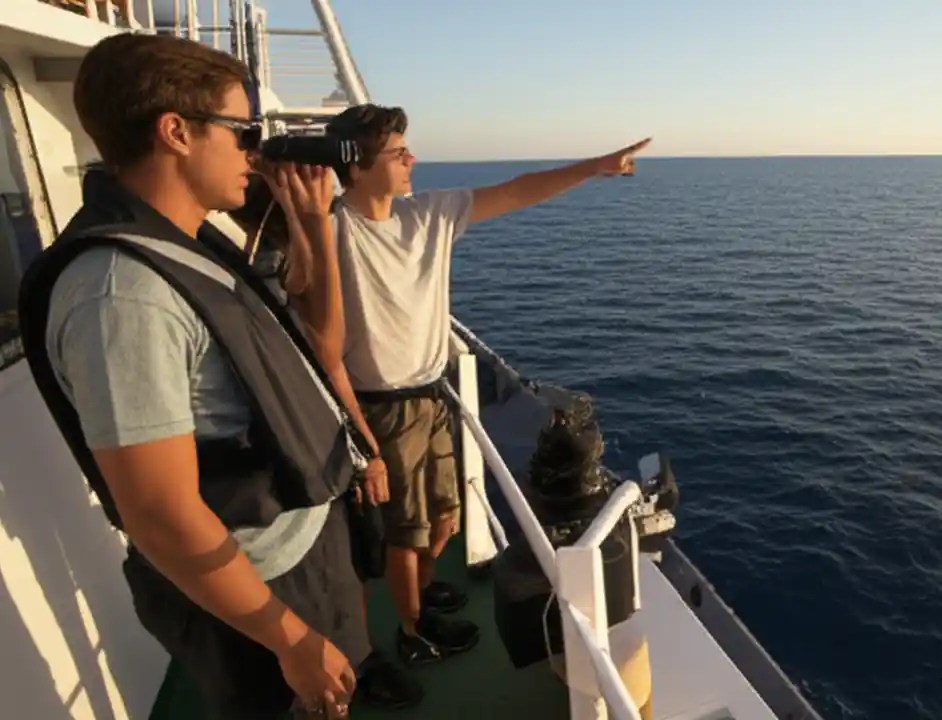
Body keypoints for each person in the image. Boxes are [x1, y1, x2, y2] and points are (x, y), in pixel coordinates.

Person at [18, 34, 365, 719]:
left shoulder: (186, 242)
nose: (254, 152)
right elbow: (160, 513)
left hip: (296, 553)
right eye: (243, 132)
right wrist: (289, 638)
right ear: (175, 132)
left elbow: (317, 351)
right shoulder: (120, 292)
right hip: (257, 594)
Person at [322, 103, 650, 665]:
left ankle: (421, 595)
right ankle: (411, 630)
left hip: (435, 392)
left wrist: (594, 166)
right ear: (354, 166)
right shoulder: (330, 227)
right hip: (380, 406)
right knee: (405, 532)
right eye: (398, 152)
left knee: (444, 519)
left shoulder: (427, 214)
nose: (412, 159)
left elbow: (519, 191)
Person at [228, 164, 422, 711]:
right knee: (341, 579)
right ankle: (349, 675)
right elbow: (328, 348)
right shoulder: (271, 260)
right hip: (297, 474)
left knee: (346, 569)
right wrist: (312, 225)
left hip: (310, 460)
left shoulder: (256, 259)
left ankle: (359, 662)